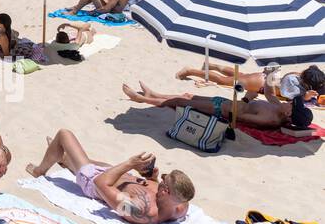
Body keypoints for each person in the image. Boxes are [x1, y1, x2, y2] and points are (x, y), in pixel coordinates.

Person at [26, 128, 194, 224]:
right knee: (76, 157)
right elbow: (161, 190)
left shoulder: (140, 211)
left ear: (166, 192)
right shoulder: (181, 205)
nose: (160, 182)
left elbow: (101, 184)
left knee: (64, 135)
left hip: (93, 180)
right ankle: (62, 158)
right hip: (120, 175)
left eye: (163, 181)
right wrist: (152, 178)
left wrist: (129, 164)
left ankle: (39, 170)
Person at [122, 81, 315, 131]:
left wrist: (247, 99)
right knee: (187, 96)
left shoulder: (270, 118)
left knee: (181, 103)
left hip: (221, 110)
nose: (290, 101)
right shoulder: (278, 107)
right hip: (224, 101)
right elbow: (271, 93)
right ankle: (154, 95)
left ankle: (142, 100)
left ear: (290, 113)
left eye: (292, 104)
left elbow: (239, 117)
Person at [174, 63, 325, 102]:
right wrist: (304, 97)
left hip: (263, 78)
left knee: (239, 75)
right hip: (259, 84)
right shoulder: (292, 81)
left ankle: (213, 66)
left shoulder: (298, 75)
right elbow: (286, 94)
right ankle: (190, 71)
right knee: (223, 81)